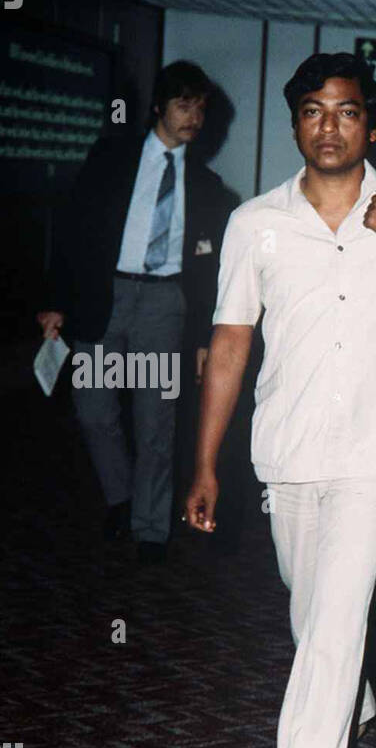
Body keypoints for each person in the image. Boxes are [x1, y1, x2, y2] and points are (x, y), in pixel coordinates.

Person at [184, 51, 376, 748]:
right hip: (287, 451)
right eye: (311, 112)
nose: (328, 127)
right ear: (296, 121)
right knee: (315, 613)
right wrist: (205, 463)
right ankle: (351, 691)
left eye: (345, 112)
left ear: (372, 123)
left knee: (332, 620)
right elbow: (229, 343)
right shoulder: (256, 222)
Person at [37, 61, 234, 563]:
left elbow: (211, 274)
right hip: (106, 296)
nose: (194, 117)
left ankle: (150, 530)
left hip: (164, 306)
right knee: (94, 410)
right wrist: (55, 301)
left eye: (201, 108)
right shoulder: (112, 158)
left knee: (155, 421)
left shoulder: (208, 188)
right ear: (159, 107)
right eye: (183, 105)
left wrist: (204, 339)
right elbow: (73, 229)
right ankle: (121, 497)